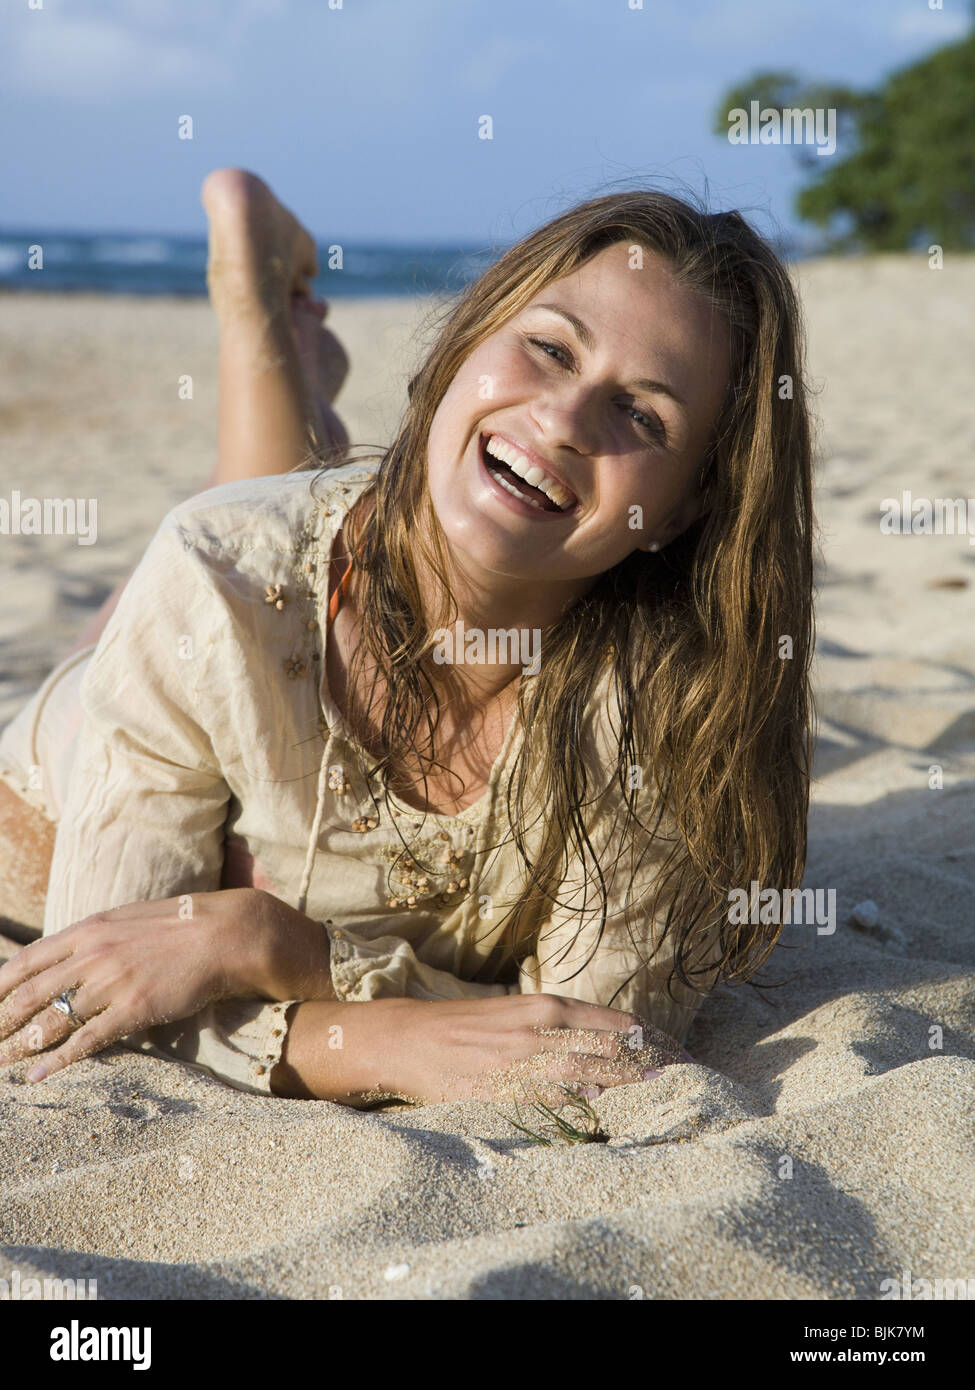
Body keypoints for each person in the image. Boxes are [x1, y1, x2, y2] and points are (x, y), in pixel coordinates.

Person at [0, 169, 813, 1108]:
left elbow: (593, 1047)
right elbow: (97, 1005)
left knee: (259, 517)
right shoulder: (213, 576)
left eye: (641, 415)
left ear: (683, 510)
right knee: (234, 547)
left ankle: (293, 386)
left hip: (285, 592)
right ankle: (261, 324)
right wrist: (412, 1034)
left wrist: (275, 946)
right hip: (57, 768)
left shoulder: (673, 701)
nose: (561, 419)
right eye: (549, 349)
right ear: (464, 346)